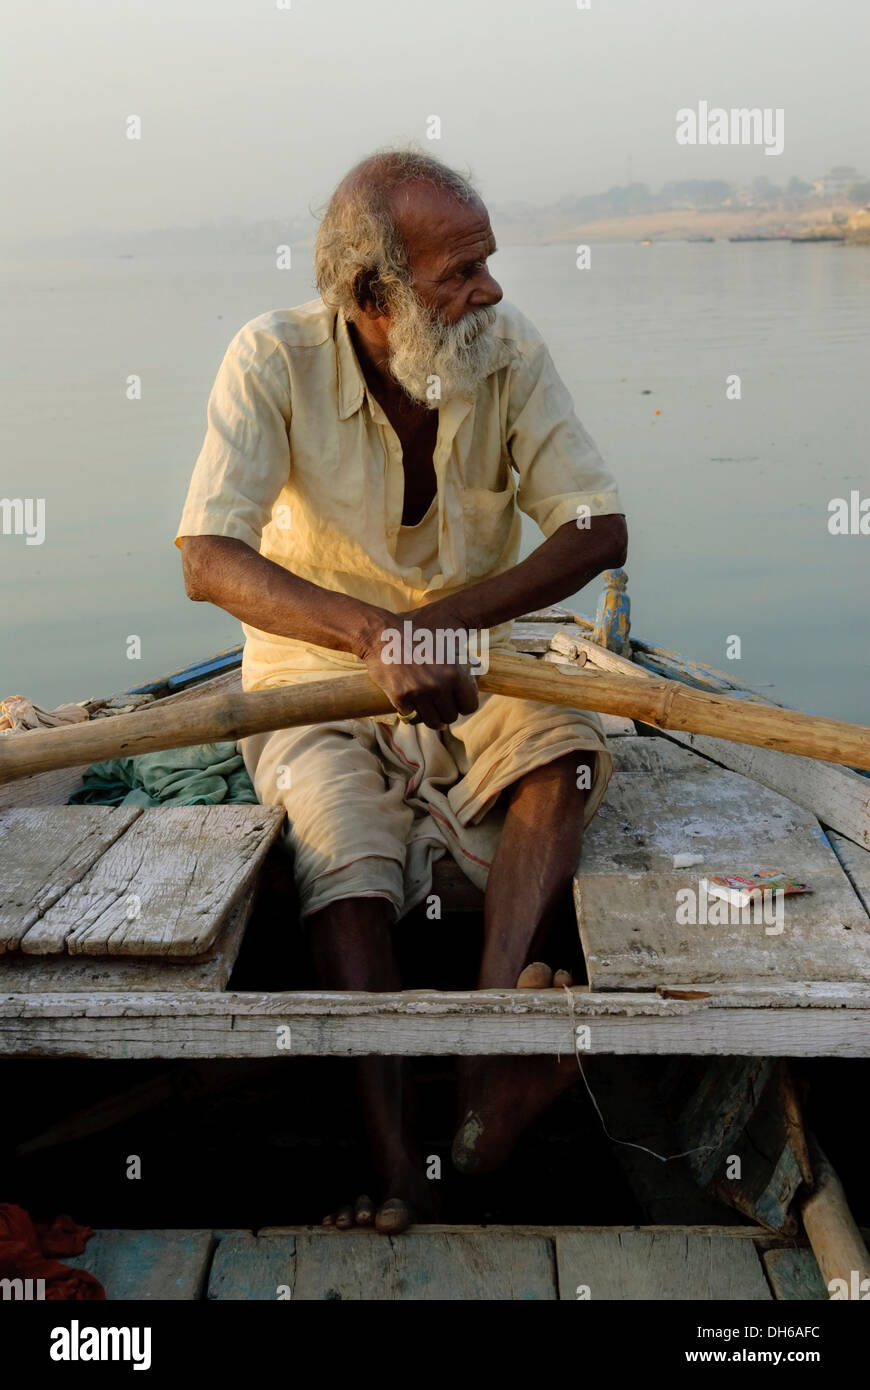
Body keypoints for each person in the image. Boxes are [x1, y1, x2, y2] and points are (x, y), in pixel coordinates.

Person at [177, 149, 627, 1233]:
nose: (491, 293)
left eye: (487, 264)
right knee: (341, 851)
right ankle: (398, 1172)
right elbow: (208, 557)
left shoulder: (505, 350)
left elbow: (596, 528)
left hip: (480, 660)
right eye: (459, 274)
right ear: (372, 296)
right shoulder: (269, 358)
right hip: (311, 679)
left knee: (561, 755)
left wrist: (446, 626)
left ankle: (482, 1078)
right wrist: (374, 635)